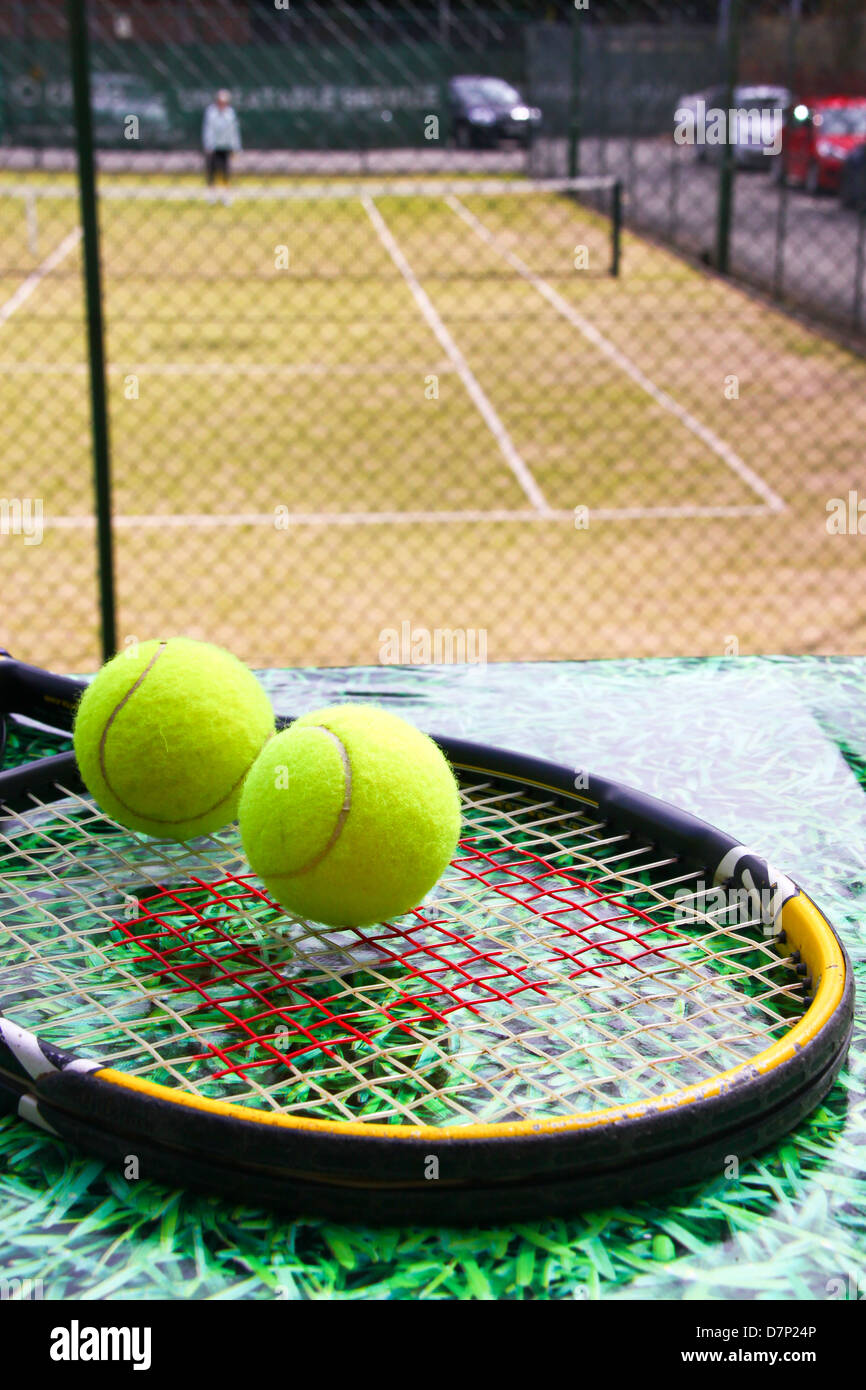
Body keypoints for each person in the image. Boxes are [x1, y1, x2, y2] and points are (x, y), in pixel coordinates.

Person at [202, 90, 241, 197]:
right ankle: (211, 194)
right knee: (211, 170)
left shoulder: (230, 113)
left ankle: (226, 194)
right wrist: (208, 145)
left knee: (226, 171)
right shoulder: (211, 112)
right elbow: (208, 129)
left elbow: (233, 131)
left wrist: (236, 147)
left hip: (225, 146)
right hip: (213, 146)